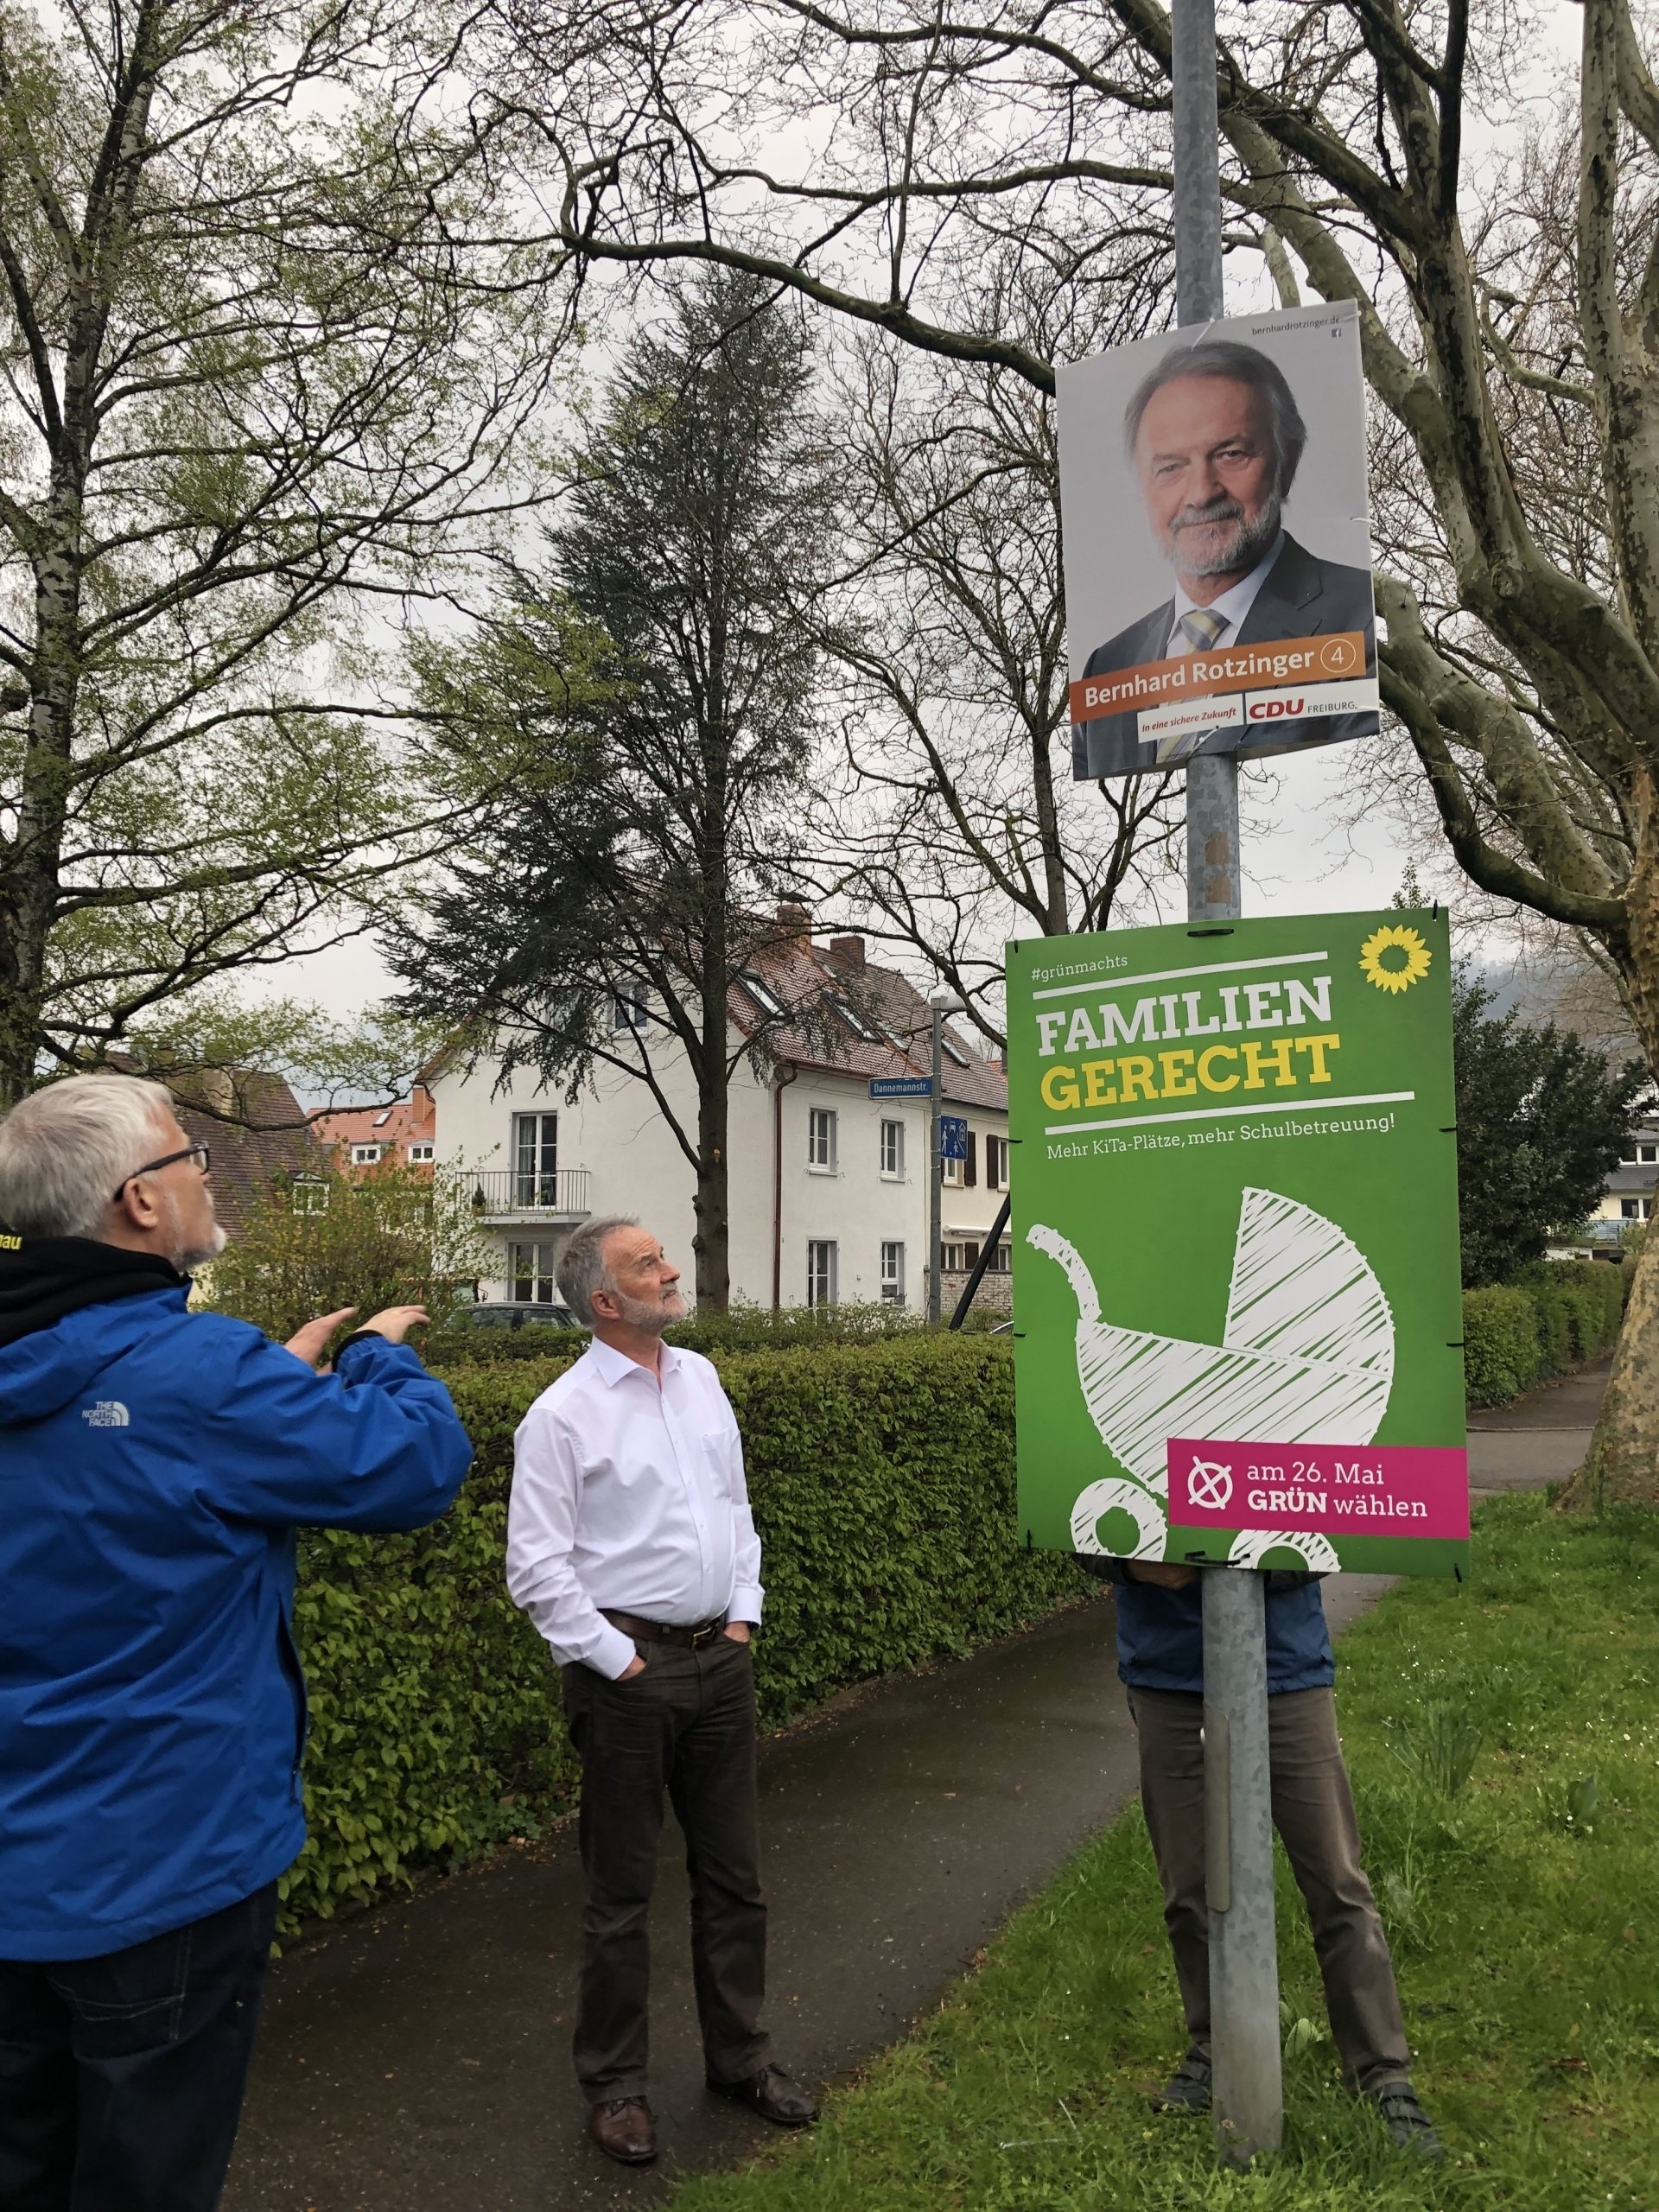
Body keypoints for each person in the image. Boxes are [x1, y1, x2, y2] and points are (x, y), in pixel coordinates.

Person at [0, 1073, 474, 2212]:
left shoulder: (184, 1382)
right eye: (185, 1158)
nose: (207, 1173)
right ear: (139, 1206)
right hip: (162, 1873)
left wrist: (263, 1398)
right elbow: (413, 1468)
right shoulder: (203, 1376)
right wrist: (379, 1357)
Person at [505, 1216, 816, 2165]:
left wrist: (742, 1617)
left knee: (736, 1878)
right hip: (628, 1679)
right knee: (620, 1895)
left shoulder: (702, 1380)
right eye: (648, 1264)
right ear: (606, 1300)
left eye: (661, 1256)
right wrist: (619, 1662)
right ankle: (616, 2087)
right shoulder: (560, 1416)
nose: (669, 1270)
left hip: (720, 1662)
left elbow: (734, 1508)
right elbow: (536, 1568)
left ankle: (740, 2057)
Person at [1074, 1550, 1440, 2156]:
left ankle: (1381, 2073)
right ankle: (1217, 2045)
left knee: (1336, 1880)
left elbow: (1331, 1525)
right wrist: (1132, 1569)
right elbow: (1075, 1515)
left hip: (1284, 1670)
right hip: (1168, 1674)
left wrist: (1233, 1564)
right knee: (1189, 1887)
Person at [1073, 339, 1377, 777]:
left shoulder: (1356, 621)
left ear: (1287, 462)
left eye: (1230, 454)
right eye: (1171, 467)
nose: (1201, 493)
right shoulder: (1108, 668)